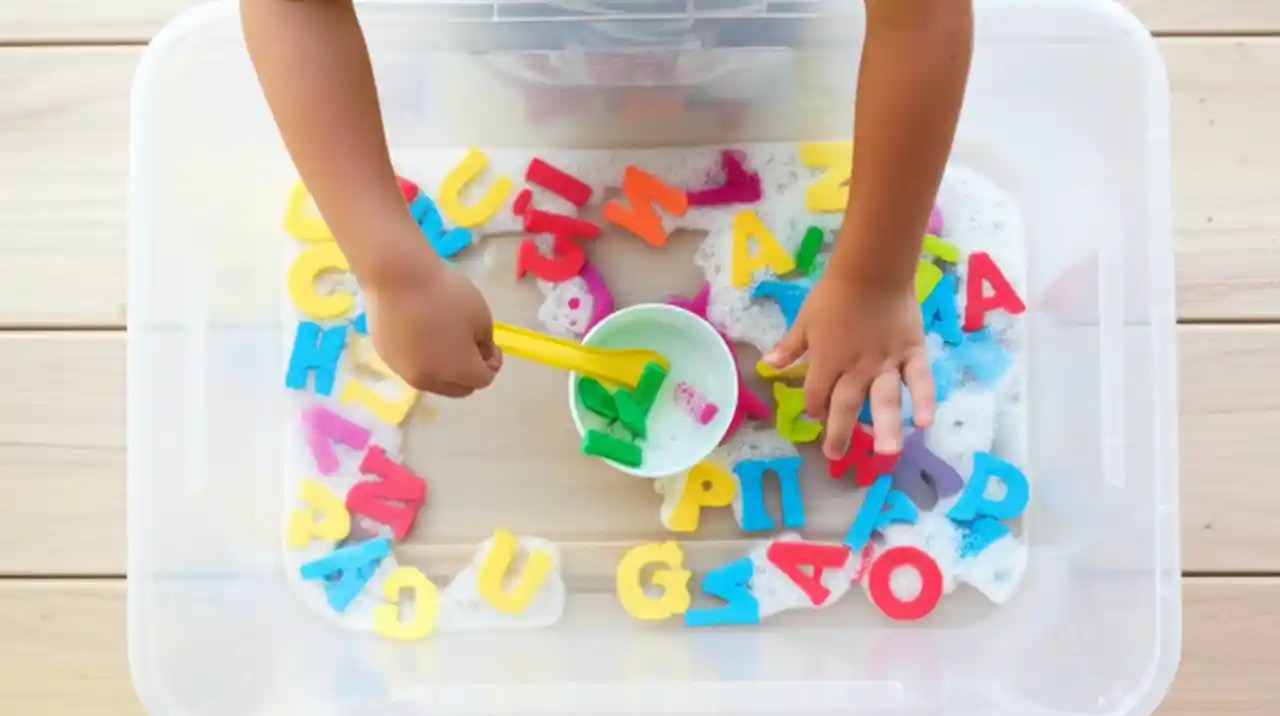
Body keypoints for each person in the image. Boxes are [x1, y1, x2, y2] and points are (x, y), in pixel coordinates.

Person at [242, 0, 973, 461]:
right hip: (522, 46)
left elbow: (921, 17)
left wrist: (875, 273)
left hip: (748, 40)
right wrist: (390, 265)